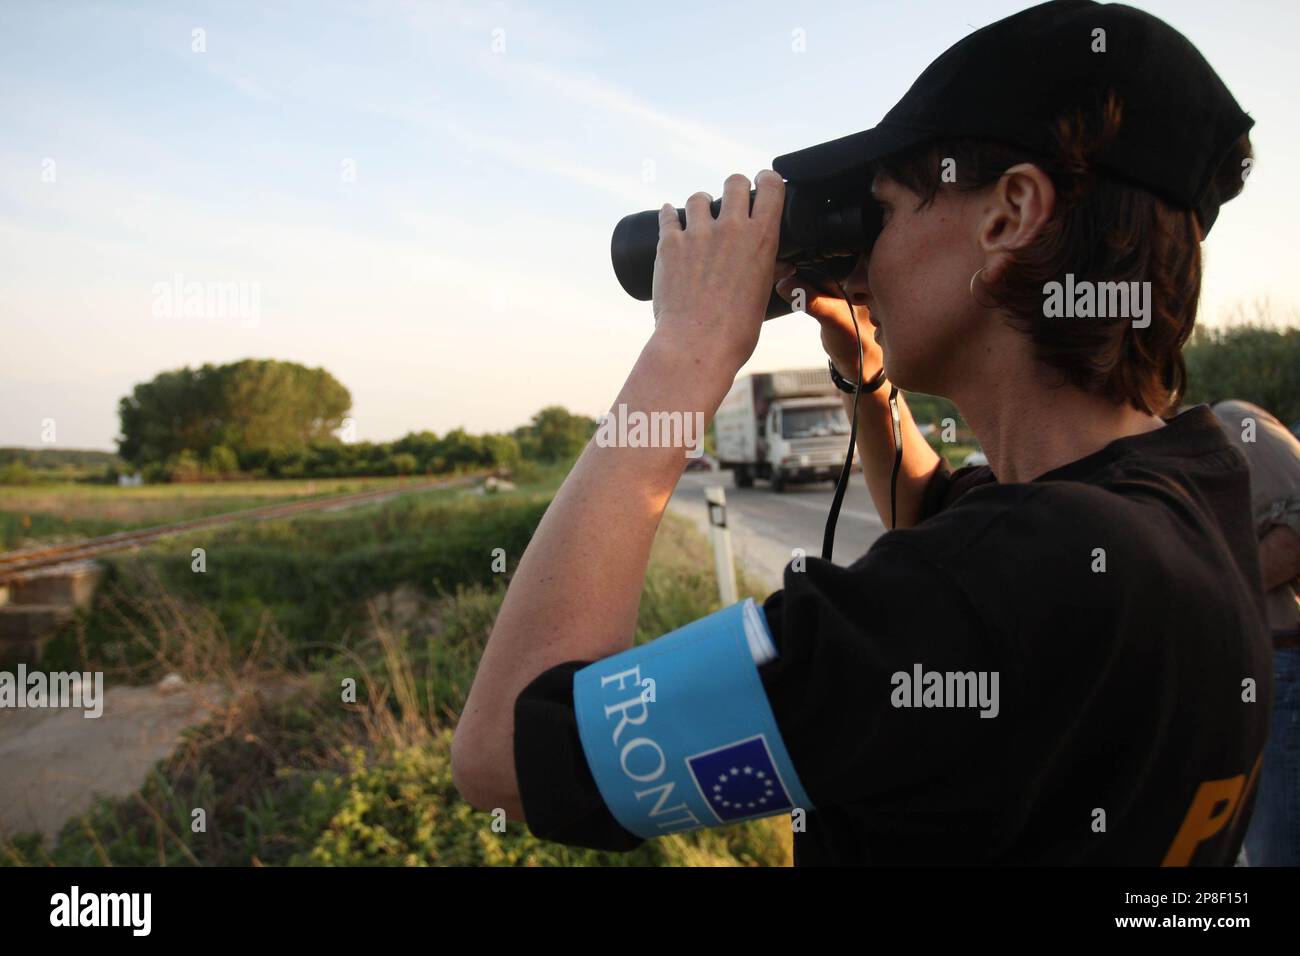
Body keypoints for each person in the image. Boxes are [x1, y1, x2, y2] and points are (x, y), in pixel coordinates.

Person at [452, 0, 1270, 865]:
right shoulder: (1193, 479)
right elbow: (947, 522)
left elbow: (509, 751)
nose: (868, 256)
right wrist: (864, 364)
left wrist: (686, 354)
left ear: (1008, 215)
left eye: (883, 210)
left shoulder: (1016, 577)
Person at [1211, 400, 1300, 866]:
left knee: (1277, 851)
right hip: (1250, 672)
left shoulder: (1229, 422)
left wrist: (1223, 586)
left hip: (1281, 666)